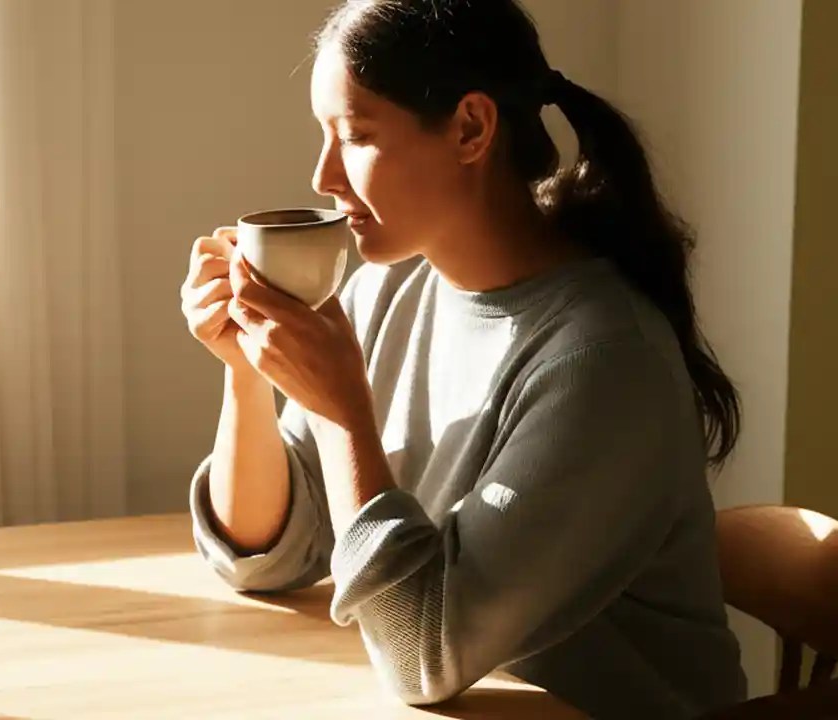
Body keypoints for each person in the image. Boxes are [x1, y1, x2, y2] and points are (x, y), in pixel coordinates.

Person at [178, 1, 749, 718]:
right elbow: (272, 553)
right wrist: (245, 370)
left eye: (355, 136)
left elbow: (420, 653)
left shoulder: (604, 361)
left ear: (471, 129)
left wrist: (341, 414)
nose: (324, 175)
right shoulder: (387, 289)